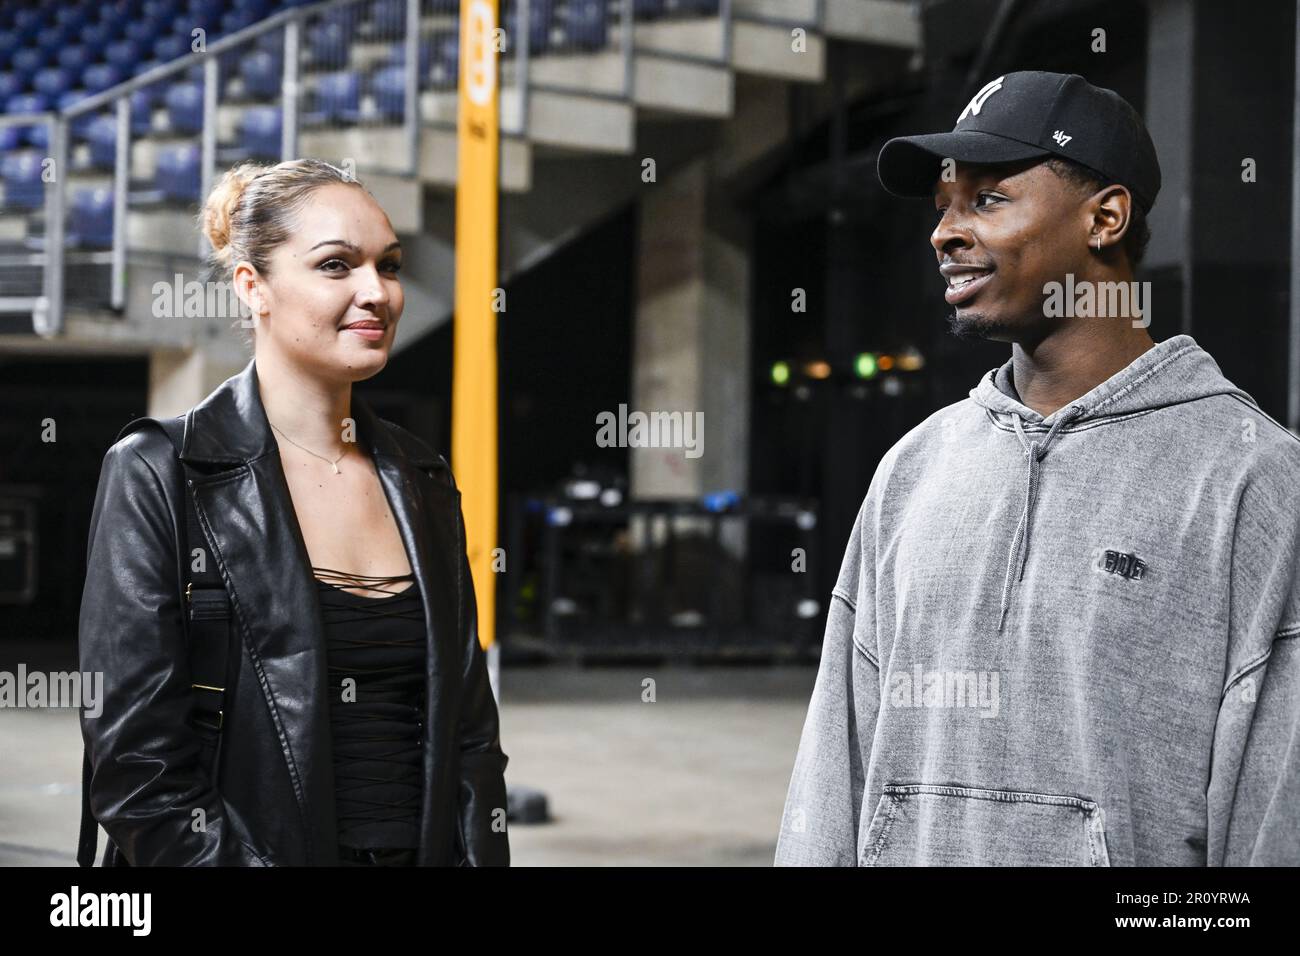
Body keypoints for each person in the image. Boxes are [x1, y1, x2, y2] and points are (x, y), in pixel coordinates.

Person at [774, 72, 1300, 866]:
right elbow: (832, 771)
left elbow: (1276, 816)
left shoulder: (1249, 478)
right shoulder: (915, 469)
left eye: (987, 200)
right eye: (943, 206)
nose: (944, 233)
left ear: (1105, 218)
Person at [78, 158, 509, 866]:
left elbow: (472, 742)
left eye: (389, 265)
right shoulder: (160, 471)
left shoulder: (422, 478)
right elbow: (138, 771)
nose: (377, 292)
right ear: (253, 287)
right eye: (337, 265)